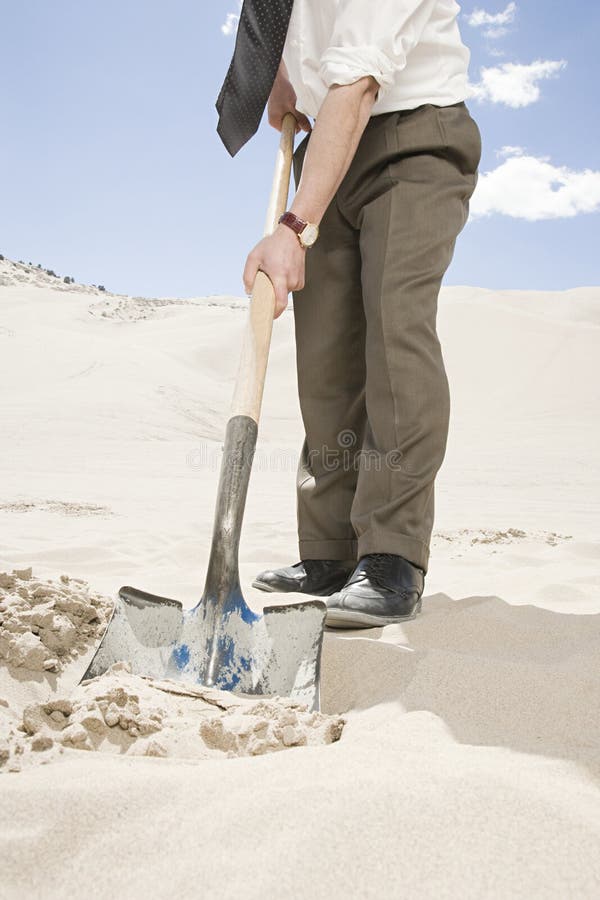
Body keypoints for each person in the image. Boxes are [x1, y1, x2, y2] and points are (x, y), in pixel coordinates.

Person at [242, 0, 482, 628]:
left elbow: (358, 80)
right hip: (328, 147)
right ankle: (329, 552)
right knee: (326, 363)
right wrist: (282, 77)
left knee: (394, 333)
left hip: (414, 138)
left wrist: (294, 227)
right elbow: (290, 38)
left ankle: (391, 556)